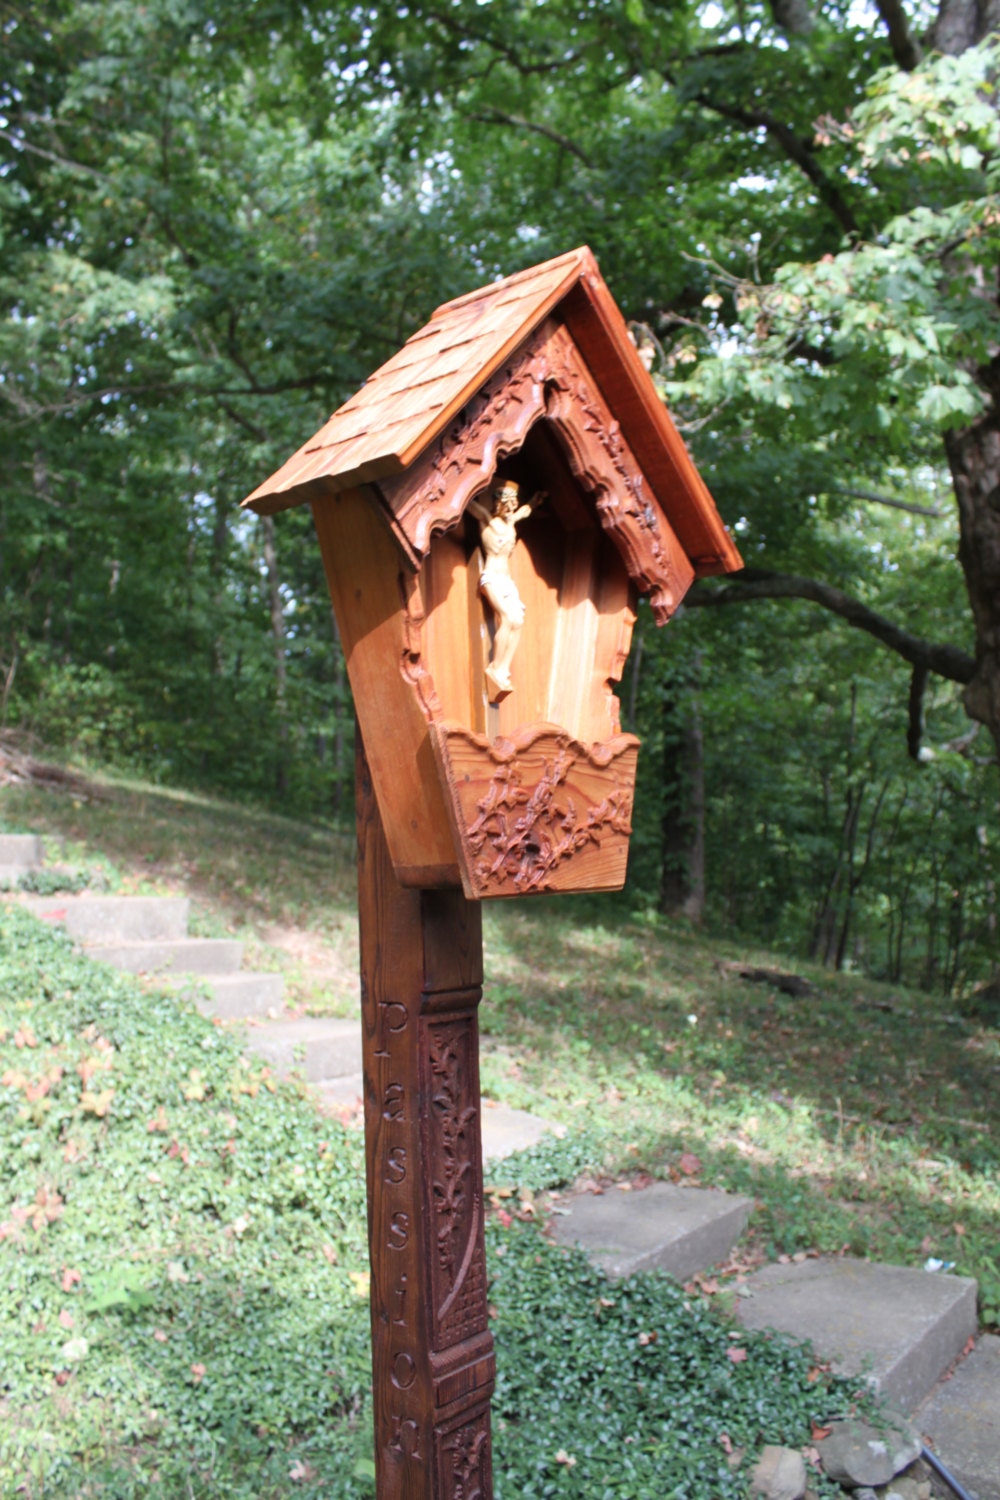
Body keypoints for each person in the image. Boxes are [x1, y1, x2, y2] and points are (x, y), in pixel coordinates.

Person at [467, 478, 546, 699]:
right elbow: (468, 504)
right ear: (499, 503)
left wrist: (534, 501)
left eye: (513, 504)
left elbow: (525, 511)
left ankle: (503, 669)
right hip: (491, 577)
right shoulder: (487, 520)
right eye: (508, 503)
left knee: (518, 620)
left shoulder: (511, 523)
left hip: (506, 580)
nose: (511, 508)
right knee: (507, 618)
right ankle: (494, 667)